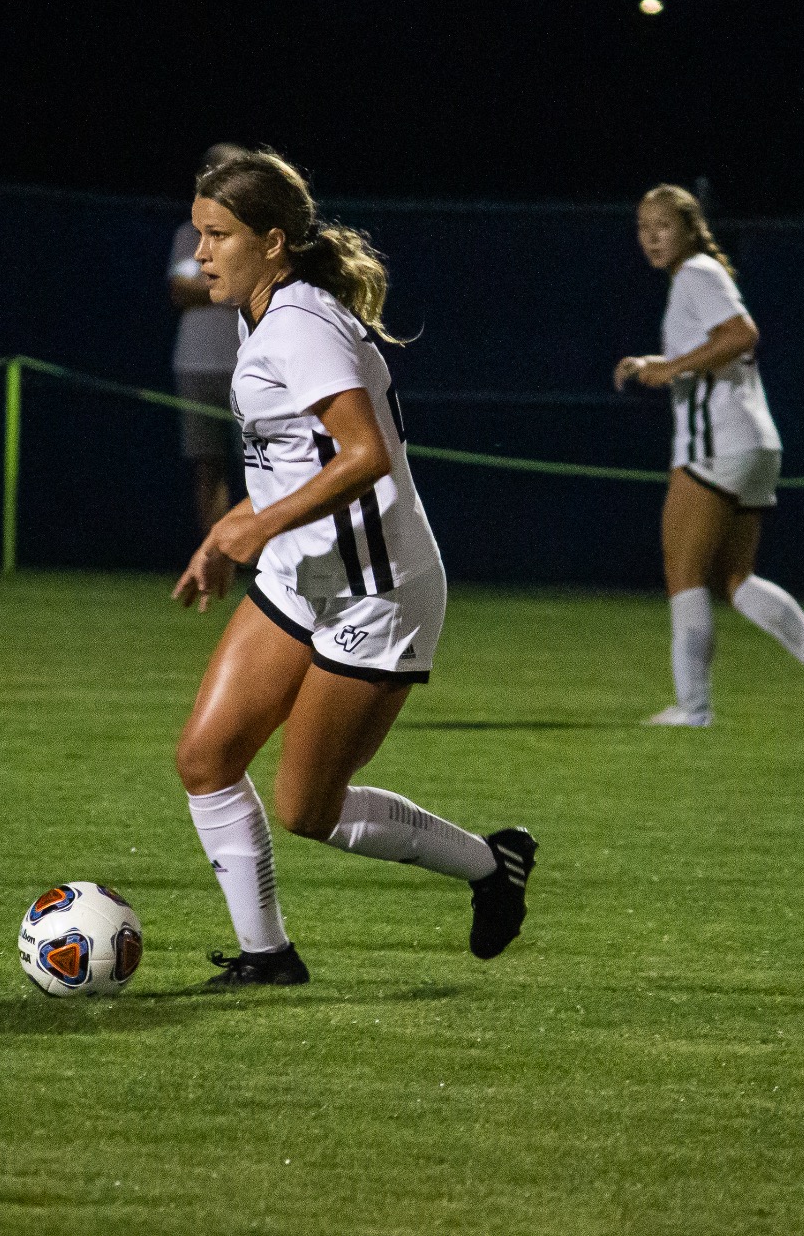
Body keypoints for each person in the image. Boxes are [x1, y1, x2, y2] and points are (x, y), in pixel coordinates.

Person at [171, 149, 536, 988]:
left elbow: (365, 454)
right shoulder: (261, 312)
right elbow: (295, 461)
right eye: (198, 234)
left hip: (379, 592)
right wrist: (225, 534)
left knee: (308, 807)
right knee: (206, 759)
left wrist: (256, 524)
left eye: (217, 235)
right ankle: (267, 956)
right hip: (305, 575)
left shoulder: (298, 324)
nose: (200, 254)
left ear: (272, 241)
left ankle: (492, 865)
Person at [615, 184, 804, 729]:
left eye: (663, 226)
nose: (651, 238)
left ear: (690, 228)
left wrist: (670, 368)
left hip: (716, 445)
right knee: (736, 579)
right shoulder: (701, 276)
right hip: (755, 444)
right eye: (643, 228)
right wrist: (656, 363)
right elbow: (714, 350)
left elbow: (741, 335)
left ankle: (693, 708)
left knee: (683, 572)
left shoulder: (695, 274)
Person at [168, 144, 251, 532]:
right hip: (195, 365)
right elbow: (180, 290)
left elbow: (252, 291)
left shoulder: (256, 235)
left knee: (261, 469)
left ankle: (264, 559)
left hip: (248, 367)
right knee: (207, 466)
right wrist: (226, 289)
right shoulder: (189, 234)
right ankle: (216, 556)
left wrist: (218, 288)